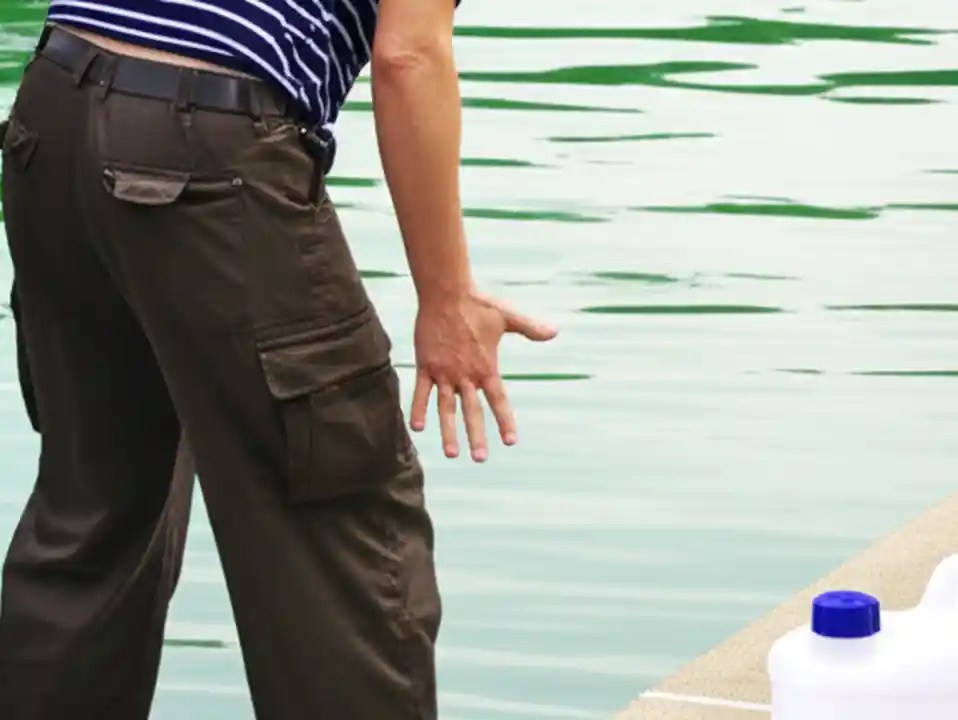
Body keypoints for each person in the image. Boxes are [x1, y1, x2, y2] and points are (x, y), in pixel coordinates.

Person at [0, 0, 558, 718]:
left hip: (54, 108)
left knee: (94, 516)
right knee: (340, 528)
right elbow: (408, 55)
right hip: (201, 140)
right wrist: (446, 298)